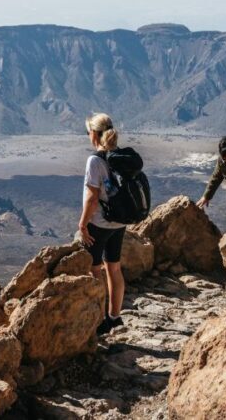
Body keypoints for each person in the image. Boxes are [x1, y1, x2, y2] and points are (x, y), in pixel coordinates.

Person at [78, 113, 126, 335]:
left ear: (95, 135)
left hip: (99, 223)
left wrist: (83, 224)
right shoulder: (120, 156)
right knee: (114, 268)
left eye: (88, 132)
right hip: (119, 221)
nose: (88, 136)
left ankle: (97, 322)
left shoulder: (94, 160)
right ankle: (114, 318)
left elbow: (92, 198)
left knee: (94, 271)